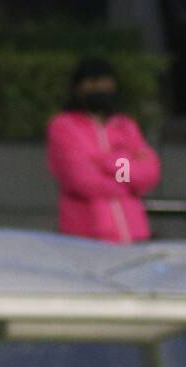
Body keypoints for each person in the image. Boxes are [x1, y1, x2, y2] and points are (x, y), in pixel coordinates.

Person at [46, 56, 161, 243]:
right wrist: (126, 175)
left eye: (105, 82)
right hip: (86, 238)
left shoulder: (125, 125)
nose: (100, 88)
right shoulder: (63, 126)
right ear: (78, 87)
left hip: (134, 236)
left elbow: (148, 173)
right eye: (92, 82)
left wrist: (108, 162)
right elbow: (80, 179)